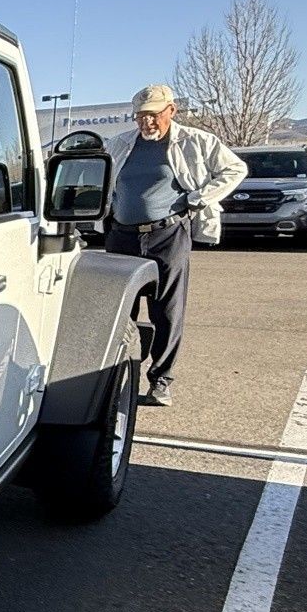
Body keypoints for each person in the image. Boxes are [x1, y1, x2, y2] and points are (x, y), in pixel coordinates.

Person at [102, 85, 246, 406]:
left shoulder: (196, 141)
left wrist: (199, 198)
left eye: (153, 115)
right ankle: (114, 374)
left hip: (167, 235)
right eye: (140, 116)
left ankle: (161, 380)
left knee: (166, 309)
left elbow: (236, 169)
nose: (146, 122)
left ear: (171, 110)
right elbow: (103, 180)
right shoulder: (120, 143)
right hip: (122, 235)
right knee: (119, 306)